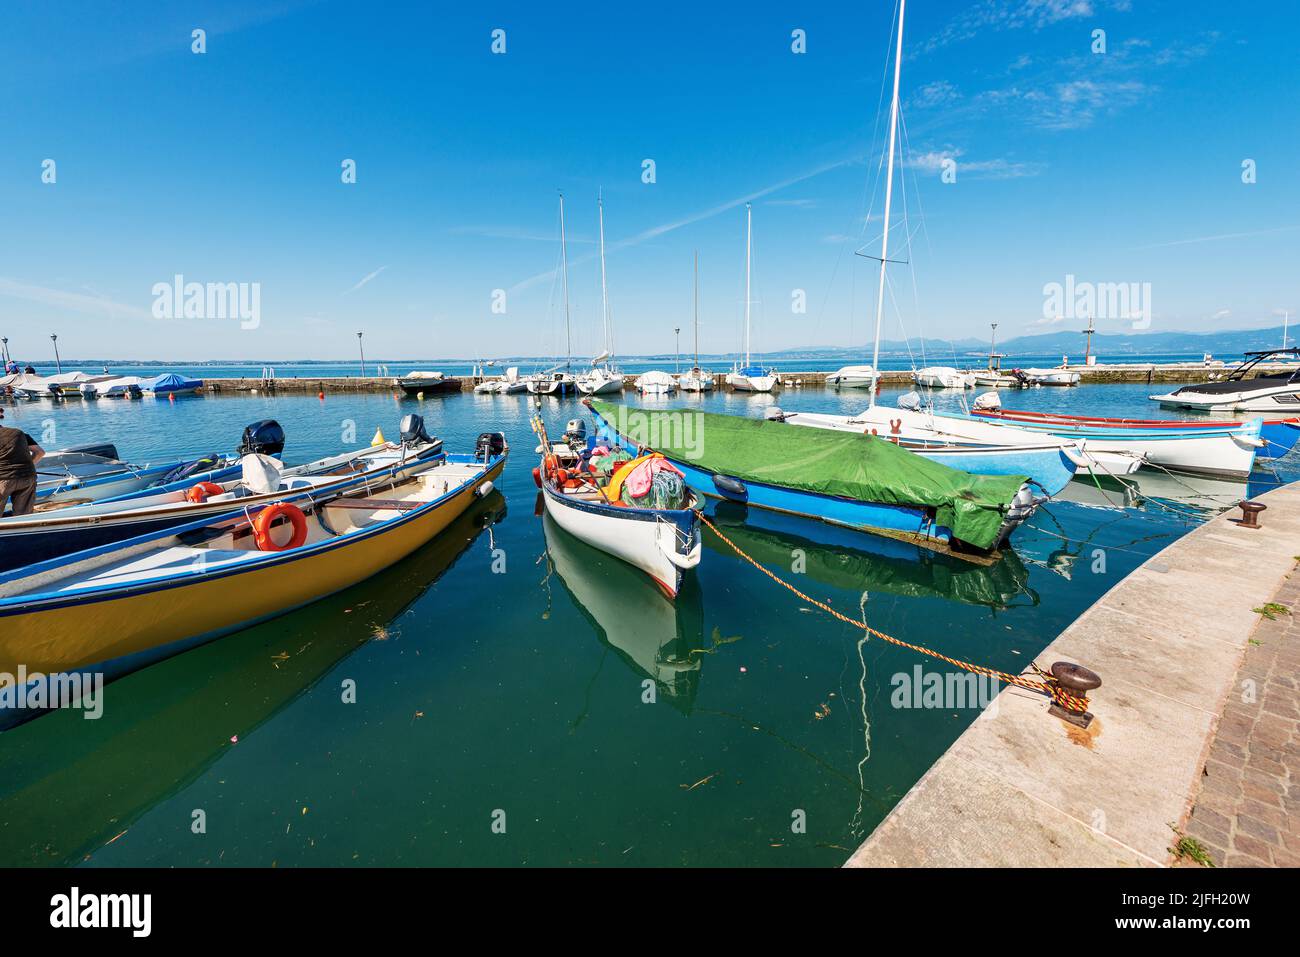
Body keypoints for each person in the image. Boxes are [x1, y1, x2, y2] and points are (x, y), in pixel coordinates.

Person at [0, 407, 44, 516]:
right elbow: (40, 452)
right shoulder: (19, 433)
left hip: (3, 479)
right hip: (27, 476)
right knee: (24, 515)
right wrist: (27, 465)